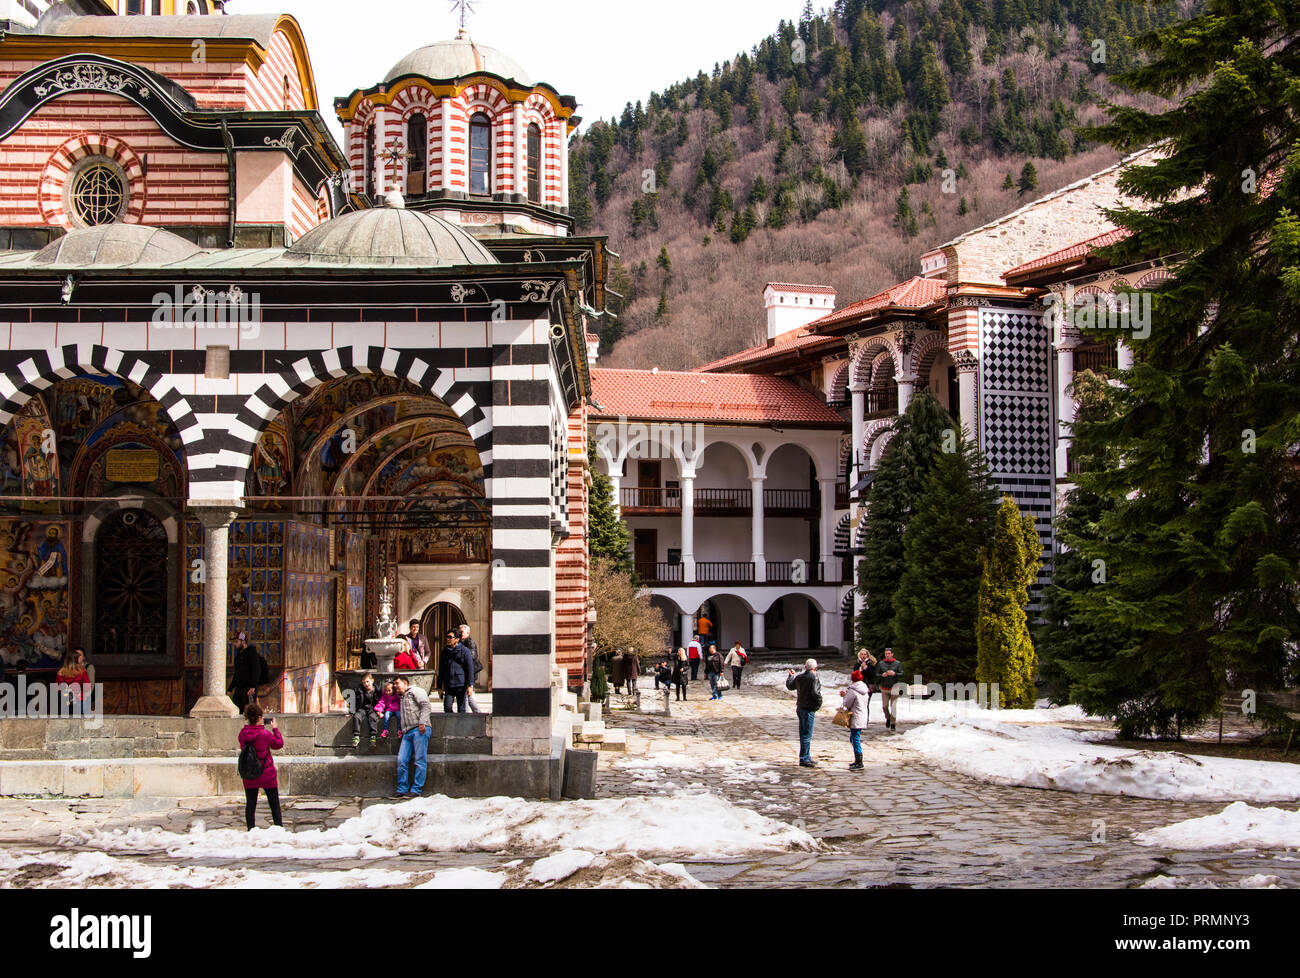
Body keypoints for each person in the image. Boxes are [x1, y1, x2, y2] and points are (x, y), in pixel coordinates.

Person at [238, 703, 283, 830]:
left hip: (249, 773)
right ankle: (278, 828)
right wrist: (275, 729)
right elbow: (278, 744)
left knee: (250, 804)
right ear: (259, 718)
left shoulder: (242, 734)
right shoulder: (265, 734)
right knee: (274, 803)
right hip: (267, 773)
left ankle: (250, 829)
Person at [393, 675, 432, 798]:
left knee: (420, 760)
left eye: (397, 683)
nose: (395, 686)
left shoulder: (416, 691)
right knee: (401, 760)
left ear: (405, 683)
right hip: (407, 732)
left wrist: (422, 722)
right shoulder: (402, 697)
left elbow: (426, 705)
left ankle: (416, 790)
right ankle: (402, 789)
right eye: (394, 684)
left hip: (419, 729)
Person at [785, 658, 822, 768]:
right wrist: (819, 703)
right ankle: (804, 758)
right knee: (807, 734)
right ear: (815, 668)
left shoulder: (800, 677)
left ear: (805, 667)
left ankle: (806, 756)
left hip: (800, 707)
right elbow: (816, 693)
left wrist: (791, 676)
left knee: (804, 733)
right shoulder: (814, 677)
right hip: (808, 707)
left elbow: (790, 686)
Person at [436, 629, 474, 713]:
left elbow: (470, 669)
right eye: (447, 637)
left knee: (461, 709)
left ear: (457, 639)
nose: (448, 639)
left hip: (461, 684)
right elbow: (441, 670)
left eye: (450, 637)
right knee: (447, 707)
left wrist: (470, 685)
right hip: (449, 685)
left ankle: (461, 725)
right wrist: (439, 687)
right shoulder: (445, 652)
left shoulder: (465, 651)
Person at [229, 632, 268, 712]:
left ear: (243, 641)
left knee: (249, 712)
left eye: (236, 642)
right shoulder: (238, 656)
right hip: (239, 688)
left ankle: (250, 725)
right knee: (237, 710)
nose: (234, 644)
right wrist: (230, 689)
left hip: (249, 688)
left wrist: (253, 686)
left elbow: (256, 670)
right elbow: (237, 674)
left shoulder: (251, 653)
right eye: (233, 642)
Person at [840, 670, 871, 771]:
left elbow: (847, 703)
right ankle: (858, 759)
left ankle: (859, 761)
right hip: (862, 715)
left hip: (856, 716)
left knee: (855, 739)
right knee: (854, 738)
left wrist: (844, 695)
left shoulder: (853, 690)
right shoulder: (864, 689)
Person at [350, 673, 382, 748]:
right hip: (363, 708)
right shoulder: (360, 690)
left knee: (373, 718)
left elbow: (382, 701)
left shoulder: (377, 690)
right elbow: (354, 701)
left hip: (373, 709)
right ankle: (356, 736)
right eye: (364, 683)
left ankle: (373, 737)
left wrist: (381, 711)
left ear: (372, 681)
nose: (366, 684)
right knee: (356, 717)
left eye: (367, 682)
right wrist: (351, 711)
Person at [55, 648, 90, 715]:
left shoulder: (60, 673)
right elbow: (87, 688)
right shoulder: (82, 672)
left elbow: (57, 689)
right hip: (79, 700)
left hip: (64, 701)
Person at [459, 624, 485, 714]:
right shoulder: (461, 642)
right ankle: (477, 713)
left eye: (461, 632)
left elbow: (472, 656)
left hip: (470, 671)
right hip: (465, 671)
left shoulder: (470, 642)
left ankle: (469, 714)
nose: (460, 634)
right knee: (468, 694)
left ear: (468, 632)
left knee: (467, 693)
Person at [878, 648, 904, 731]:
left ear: (892, 654)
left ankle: (893, 723)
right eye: (886, 653)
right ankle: (888, 718)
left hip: (894, 688)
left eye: (889, 653)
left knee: (893, 707)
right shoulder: (881, 663)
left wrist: (895, 673)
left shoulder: (897, 663)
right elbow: (877, 674)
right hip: (884, 688)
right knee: (884, 706)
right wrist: (882, 675)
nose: (887, 655)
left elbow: (902, 673)